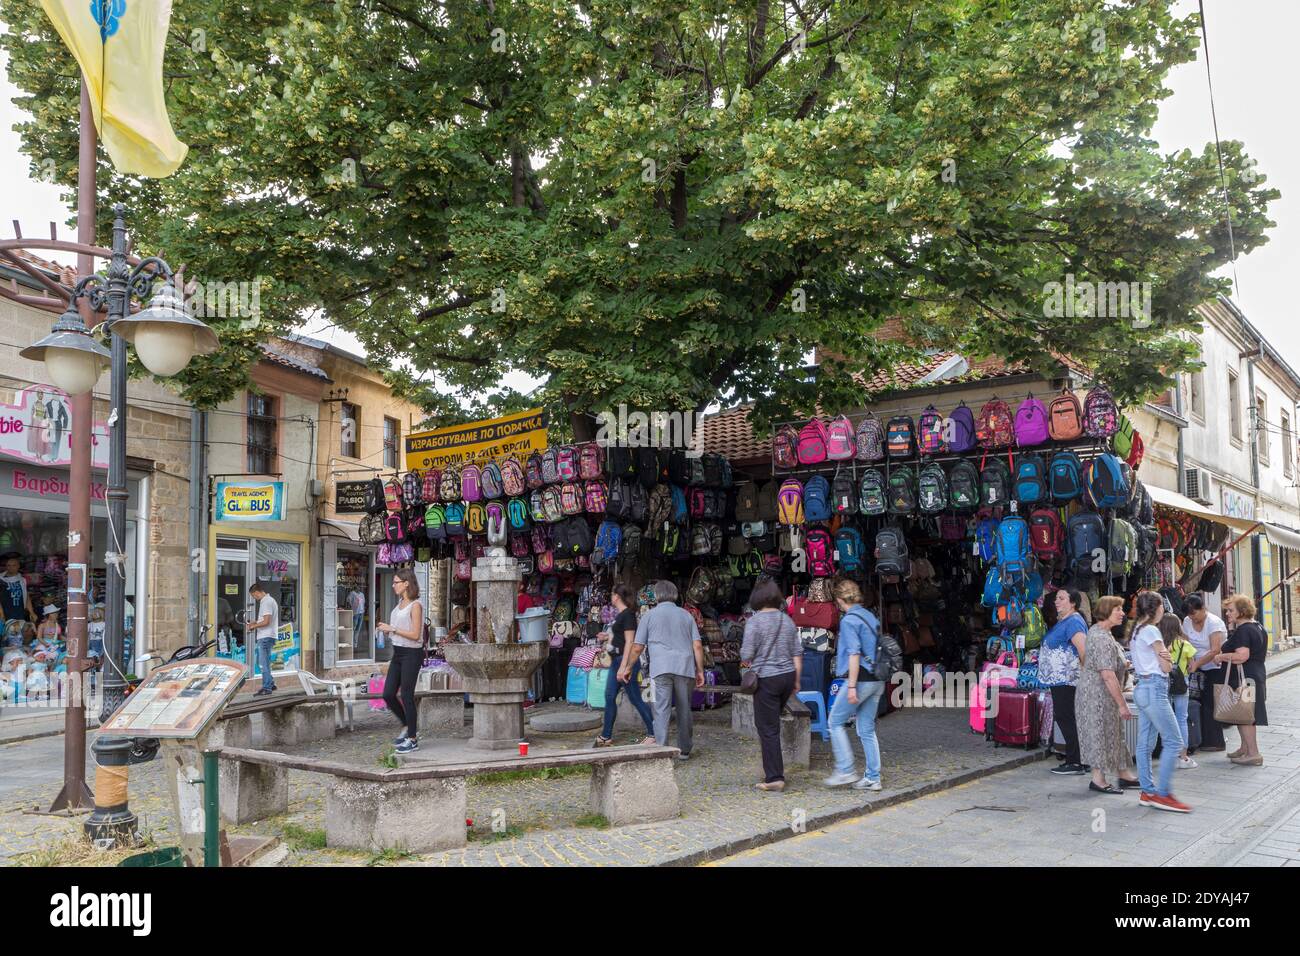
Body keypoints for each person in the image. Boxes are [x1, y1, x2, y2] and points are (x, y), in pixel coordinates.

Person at [626, 580, 705, 760]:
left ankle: (662, 750)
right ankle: (684, 750)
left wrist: (628, 667)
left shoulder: (649, 616)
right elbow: (698, 645)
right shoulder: (686, 615)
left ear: (657, 595)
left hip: (660, 668)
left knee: (660, 710)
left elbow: (637, 647)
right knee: (684, 709)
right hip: (684, 667)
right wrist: (700, 670)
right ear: (675, 595)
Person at [1131, 591, 1192, 813]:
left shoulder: (1136, 631)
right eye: (1162, 607)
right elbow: (1166, 666)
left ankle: (1147, 789)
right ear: (1156, 608)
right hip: (1155, 688)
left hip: (1142, 688)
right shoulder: (1152, 631)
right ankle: (1163, 794)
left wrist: (1163, 656)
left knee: (1145, 743)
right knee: (1174, 741)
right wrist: (1165, 657)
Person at [823, 577, 886, 791]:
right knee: (867, 729)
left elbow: (854, 654)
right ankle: (873, 777)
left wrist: (851, 687)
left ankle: (846, 769)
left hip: (862, 680)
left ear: (840, 600)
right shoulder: (870, 616)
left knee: (834, 722)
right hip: (879, 678)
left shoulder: (849, 621)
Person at [740, 579, 802, 792]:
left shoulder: (754, 622)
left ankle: (775, 777)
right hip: (787, 677)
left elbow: (746, 655)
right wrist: (796, 681)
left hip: (767, 678)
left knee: (767, 729)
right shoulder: (787, 621)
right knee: (772, 724)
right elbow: (797, 653)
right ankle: (775, 769)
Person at [1076, 596, 1140, 794]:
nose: (1122, 613)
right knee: (1099, 735)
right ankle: (1098, 780)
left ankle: (1123, 774)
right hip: (1096, 696)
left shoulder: (1102, 632)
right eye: (1118, 609)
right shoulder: (1101, 637)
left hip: (1103, 695)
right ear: (1106, 611)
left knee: (1114, 734)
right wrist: (1122, 705)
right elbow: (1107, 675)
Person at [596, 584, 655, 747]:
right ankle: (606, 735)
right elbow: (621, 638)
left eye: (612, 594)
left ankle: (653, 732)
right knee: (609, 696)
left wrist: (624, 666)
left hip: (624, 661)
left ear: (617, 596)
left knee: (635, 698)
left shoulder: (628, 614)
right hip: (617, 661)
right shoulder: (621, 615)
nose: (611, 597)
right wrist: (607, 636)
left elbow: (630, 641)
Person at [1039, 588, 1089, 775]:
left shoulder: (1074, 621)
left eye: (1062, 598)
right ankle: (1079, 760)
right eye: (1056, 598)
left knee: (1066, 717)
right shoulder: (1066, 621)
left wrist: (1085, 677)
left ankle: (1075, 761)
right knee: (1069, 718)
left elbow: (1083, 651)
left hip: (1067, 680)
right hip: (1060, 680)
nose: (1056, 601)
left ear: (1073, 602)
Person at [1216, 594, 1269, 767]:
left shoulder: (1244, 630)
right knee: (1243, 713)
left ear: (1242, 611)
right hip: (1254, 676)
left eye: (1231, 610)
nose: (1228, 614)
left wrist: (1221, 656)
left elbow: (1242, 656)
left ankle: (1253, 753)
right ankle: (1244, 748)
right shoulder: (1257, 626)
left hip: (1245, 679)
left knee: (1246, 716)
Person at [378, 569, 425, 754]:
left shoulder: (415, 605)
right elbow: (397, 630)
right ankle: (406, 725)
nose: (393, 585)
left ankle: (413, 739)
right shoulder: (399, 605)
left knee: (407, 695)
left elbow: (415, 635)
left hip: (411, 654)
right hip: (397, 653)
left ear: (406, 583)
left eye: (396, 582)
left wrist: (393, 629)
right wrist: (387, 630)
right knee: (388, 694)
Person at [1181, 593, 1227, 752]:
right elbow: (1185, 643)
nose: (1192, 617)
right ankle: (1197, 738)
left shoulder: (1214, 623)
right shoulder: (1187, 621)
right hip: (1195, 665)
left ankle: (1214, 741)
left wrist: (1198, 663)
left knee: (1210, 703)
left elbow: (1215, 650)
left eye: (1194, 613)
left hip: (1214, 666)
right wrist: (1190, 662)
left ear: (1203, 608)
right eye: (1189, 614)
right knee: (1194, 703)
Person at [1158, 614, 1198, 770]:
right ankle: (1183, 756)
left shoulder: (1159, 645)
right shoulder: (1184, 644)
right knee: (1182, 718)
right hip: (1182, 683)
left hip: (1164, 682)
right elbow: (1192, 665)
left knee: (1166, 719)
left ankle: (1168, 754)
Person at [247, 582, 280, 696]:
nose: (255, 599)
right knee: (263, 661)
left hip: (265, 636)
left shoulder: (265, 602)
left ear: (257, 592)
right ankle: (270, 683)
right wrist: (255, 622)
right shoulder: (271, 600)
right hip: (269, 636)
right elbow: (265, 619)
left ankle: (267, 688)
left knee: (262, 663)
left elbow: (266, 622)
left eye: (254, 596)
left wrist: (253, 626)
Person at [0, 553, 36, 625]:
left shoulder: (22, 580)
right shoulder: (1, 580)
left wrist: (32, 612)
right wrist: (1, 614)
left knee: (19, 634)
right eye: (8, 565)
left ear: (18, 566)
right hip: (5, 615)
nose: (11, 567)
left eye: (14, 565)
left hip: (20, 614)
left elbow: (26, 597)